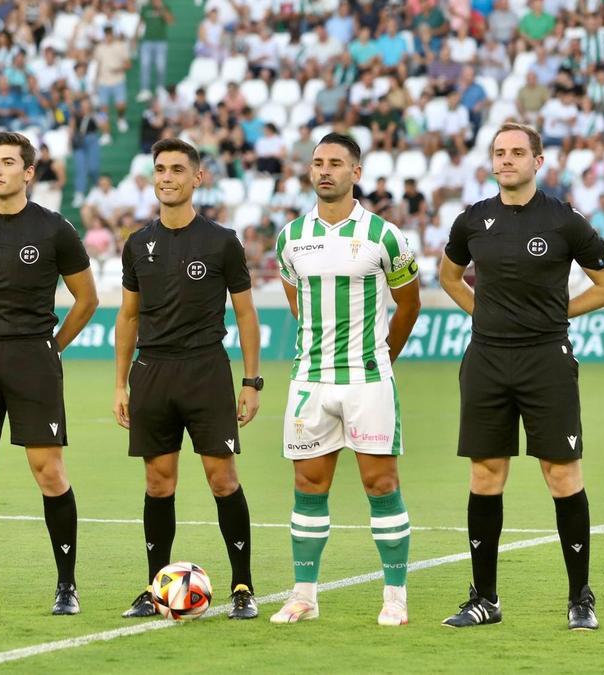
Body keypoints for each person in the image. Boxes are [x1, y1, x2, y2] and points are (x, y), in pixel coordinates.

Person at [439, 122, 604, 630]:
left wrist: (559, 313)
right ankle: (485, 599)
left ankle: (580, 598)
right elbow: (449, 276)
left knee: (562, 475)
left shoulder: (565, 220)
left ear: (537, 161)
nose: (506, 160)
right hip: (486, 359)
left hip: (546, 359)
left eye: (517, 152)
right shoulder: (472, 219)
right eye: (499, 152)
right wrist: (482, 314)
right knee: (485, 474)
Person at [0, 132, 98, 615]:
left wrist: (52, 346)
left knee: (49, 471)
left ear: (28, 172)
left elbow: (86, 299)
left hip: (34, 358)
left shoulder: (54, 229)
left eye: (8, 162)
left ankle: (66, 586)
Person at [270, 133, 421, 626]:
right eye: (318, 162)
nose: (324, 170)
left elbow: (409, 304)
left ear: (356, 172)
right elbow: (298, 303)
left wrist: (384, 356)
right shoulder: (290, 237)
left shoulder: (385, 235)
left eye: (336, 163)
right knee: (308, 486)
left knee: (381, 484)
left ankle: (395, 597)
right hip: (310, 380)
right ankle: (304, 595)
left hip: (367, 380)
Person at [113, 138, 262, 621]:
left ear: (198, 178)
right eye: (160, 169)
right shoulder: (138, 244)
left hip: (206, 371)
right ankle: (154, 586)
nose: (167, 177)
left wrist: (252, 381)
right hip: (152, 372)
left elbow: (246, 314)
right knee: (158, 483)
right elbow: (128, 317)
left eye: (177, 169)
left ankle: (243, 586)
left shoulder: (222, 241)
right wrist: (120, 384)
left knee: (222, 479)